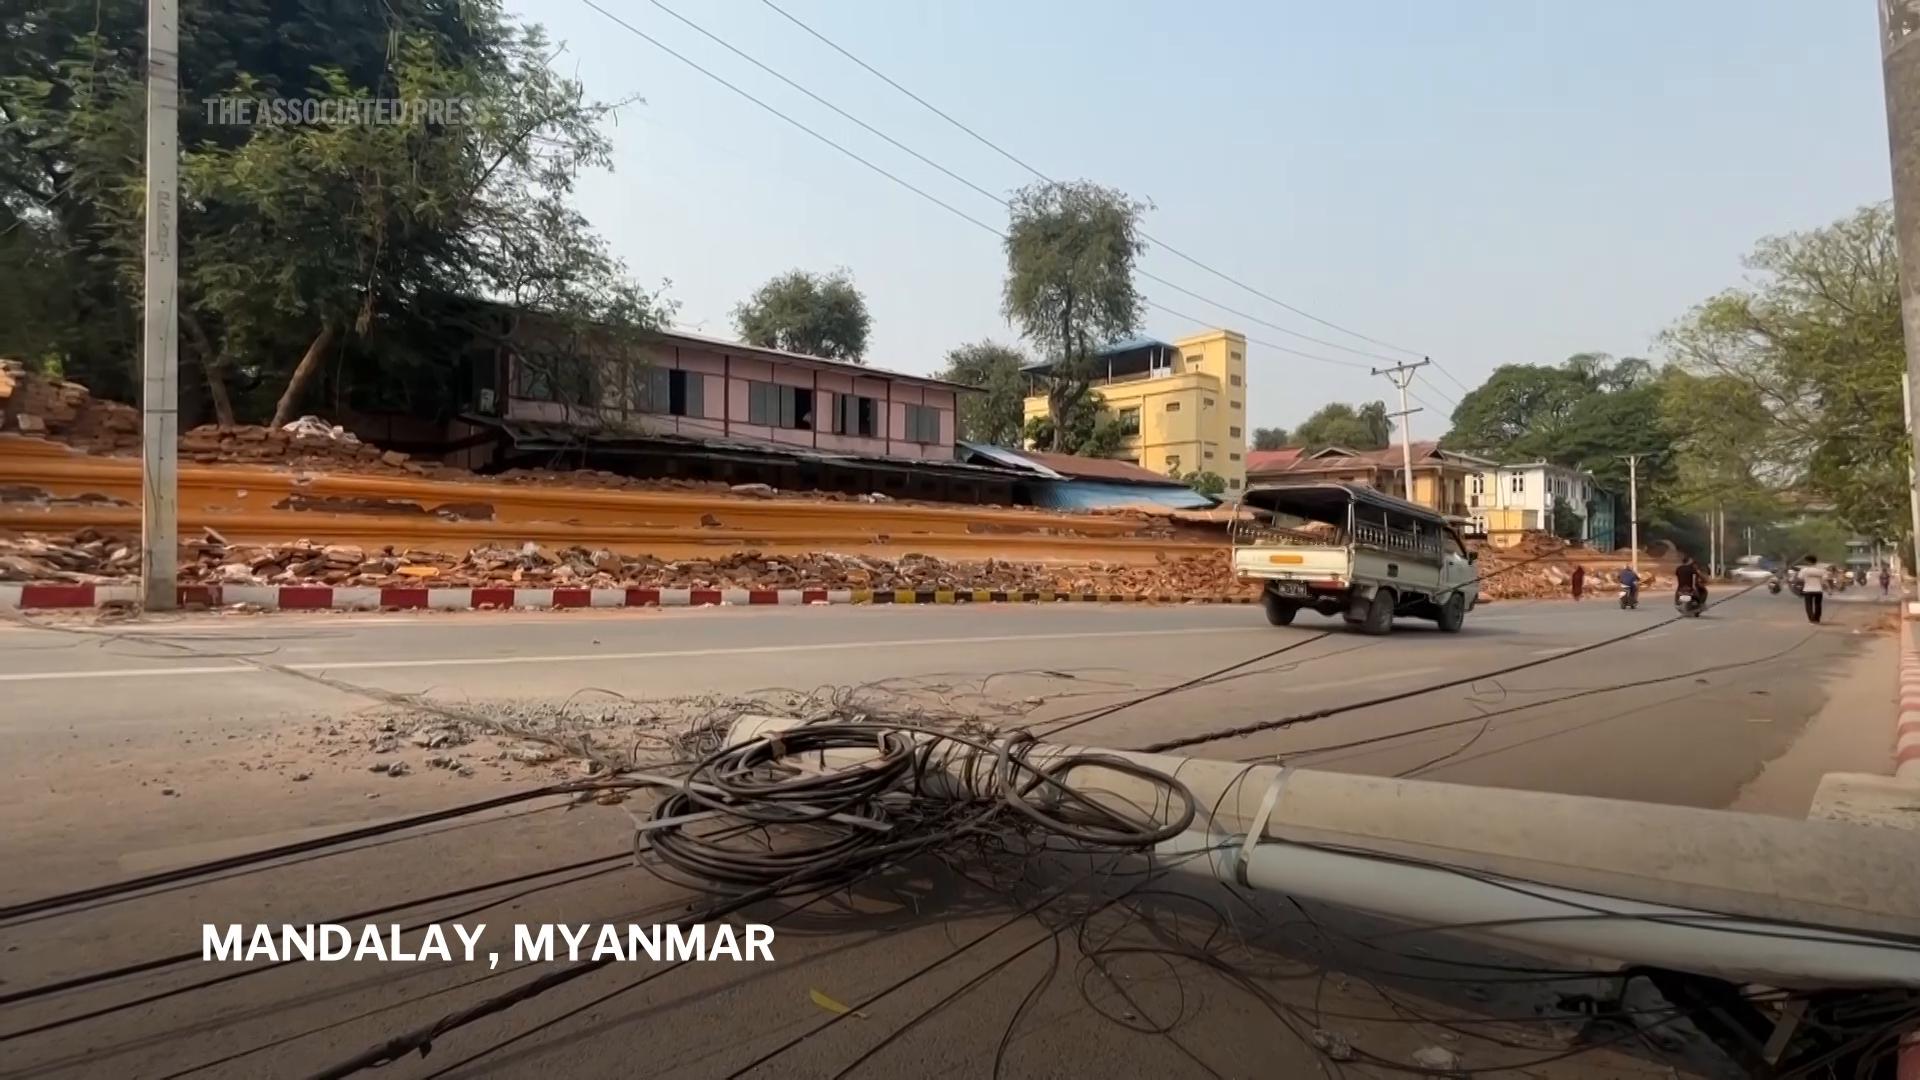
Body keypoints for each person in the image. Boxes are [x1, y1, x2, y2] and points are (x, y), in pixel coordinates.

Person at [1799, 555, 1827, 624]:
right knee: (1818, 605)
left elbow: (1800, 578)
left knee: (1809, 605)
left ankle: (1811, 619)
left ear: (1808, 562)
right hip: (1818, 590)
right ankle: (1817, 619)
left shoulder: (1804, 570)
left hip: (1808, 590)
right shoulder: (1821, 570)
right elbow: (1824, 579)